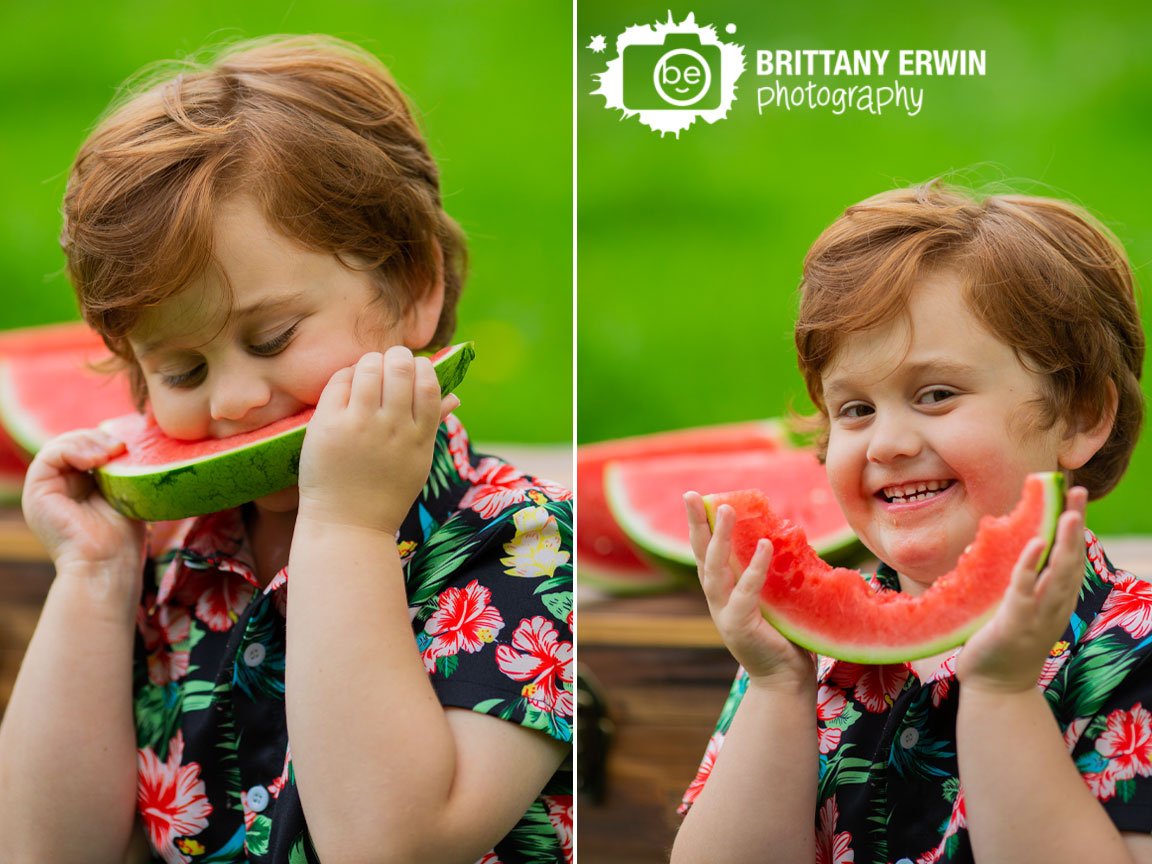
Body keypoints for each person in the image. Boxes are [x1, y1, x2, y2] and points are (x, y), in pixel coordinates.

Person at [0, 35, 573, 864]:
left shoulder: (518, 543)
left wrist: (348, 529)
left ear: (413, 290)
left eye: (271, 338)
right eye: (183, 367)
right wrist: (93, 577)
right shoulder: (171, 557)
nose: (233, 399)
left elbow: (390, 847)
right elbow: (42, 850)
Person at [673, 182, 1152, 863]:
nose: (887, 443)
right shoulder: (807, 660)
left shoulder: (1132, 655)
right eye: (855, 409)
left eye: (936, 394)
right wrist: (779, 686)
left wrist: (1002, 694)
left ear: (1079, 418)